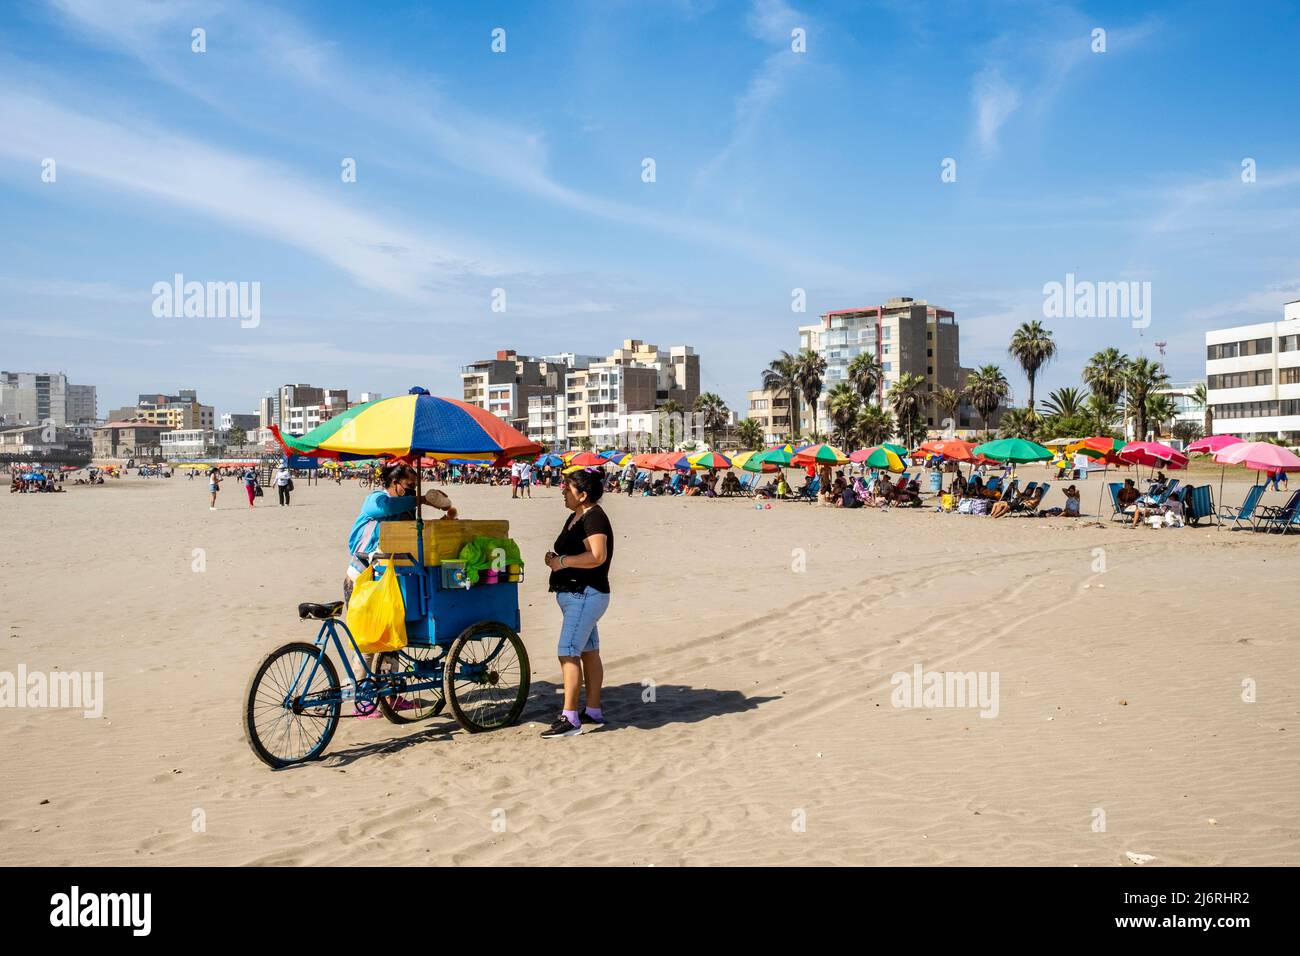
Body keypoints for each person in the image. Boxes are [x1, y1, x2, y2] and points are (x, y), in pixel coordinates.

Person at [344, 463, 457, 716]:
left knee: (393, 639)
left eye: (414, 487)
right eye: (408, 486)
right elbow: (385, 508)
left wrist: (443, 523)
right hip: (362, 579)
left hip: (391, 582)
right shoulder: (376, 499)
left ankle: (390, 696)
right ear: (395, 483)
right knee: (367, 641)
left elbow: (416, 538)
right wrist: (421, 500)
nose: (411, 492)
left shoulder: (406, 510)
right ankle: (363, 700)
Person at [542, 469, 612, 738]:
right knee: (589, 651)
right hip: (579, 595)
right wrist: (556, 559)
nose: (562, 491)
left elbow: (597, 555)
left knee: (568, 651)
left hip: (586, 594)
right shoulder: (578, 516)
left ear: (582, 495)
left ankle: (570, 718)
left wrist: (562, 562)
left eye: (567, 489)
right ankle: (593, 711)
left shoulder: (594, 518)